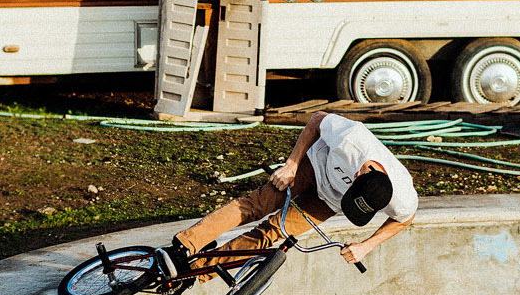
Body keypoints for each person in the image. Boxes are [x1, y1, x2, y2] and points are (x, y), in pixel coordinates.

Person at [167, 110, 417, 273]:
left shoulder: (402, 197)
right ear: (357, 175)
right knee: (256, 205)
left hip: (329, 202)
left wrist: (367, 245)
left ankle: (194, 272)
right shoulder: (352, 140)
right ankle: (183, 246)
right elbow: (317, 119)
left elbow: (405, 218)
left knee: (274, 231)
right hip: (312, 165)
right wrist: (292, 165)